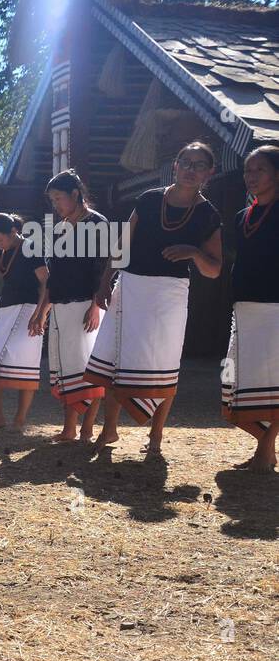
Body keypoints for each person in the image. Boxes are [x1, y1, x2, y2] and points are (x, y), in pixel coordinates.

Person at [84, 141, 223, 456]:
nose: (191, 169)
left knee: (164, 361)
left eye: (199, 164)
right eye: (186, 162)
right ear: (175, 165)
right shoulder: (148, 200)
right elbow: (123, 242)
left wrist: (192, 252)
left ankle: (157, 435)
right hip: (131, 286)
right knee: (115, 357)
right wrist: (105, 280)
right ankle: (109, 429)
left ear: (209, 172)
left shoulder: (208, 214)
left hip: (169, 295)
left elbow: (214, 270)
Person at [29, 170, 107, 442]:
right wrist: (42, 312)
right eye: (52, 200)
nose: (56, 204)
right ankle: (69, 428)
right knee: (65, 368)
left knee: (88, 367)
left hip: (87, 304)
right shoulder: (59, 229)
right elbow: (54, 277)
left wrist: (97, 306)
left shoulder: (97, 224)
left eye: (59, 198)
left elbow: (104, 269)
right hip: (61, 307)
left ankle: (87, 428)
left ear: (75, 194)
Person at [222, 145, 279, 472]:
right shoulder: (242, 217)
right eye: (248, 170)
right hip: (244, 309)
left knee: (274, 380)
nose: (252, 176)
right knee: (237, 380)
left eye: (260, 170)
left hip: (275, 308)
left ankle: (265, 450)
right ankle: (265, 449)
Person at [0, 213, 48, 430]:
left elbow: (47, 281)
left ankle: (20, 419)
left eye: (1, 239)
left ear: (13, 232)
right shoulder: (2, 254)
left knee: (25, 364)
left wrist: (40, 313)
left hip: (28, 310)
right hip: (5, 311)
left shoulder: (31, 248)